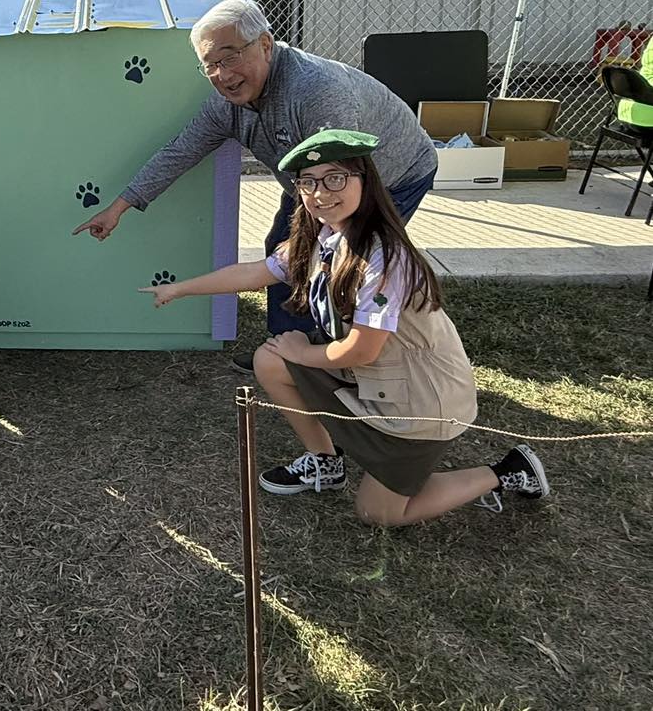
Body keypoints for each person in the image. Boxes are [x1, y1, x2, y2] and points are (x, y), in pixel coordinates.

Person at [140, 129, 550, 527]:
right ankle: (325, 462)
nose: (320, 193)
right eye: (308, 182)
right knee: (271, 360)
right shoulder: (322, 238)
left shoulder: (383, 258)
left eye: (335, 178)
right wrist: (179, 289)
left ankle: (507, 471)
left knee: (378, 513)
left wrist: (304, 353)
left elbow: (362, 349)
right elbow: (254, 273)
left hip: (421, 407)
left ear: (365, 180)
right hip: (371, 382)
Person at [74, 0, 439, 370]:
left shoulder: (317, 91)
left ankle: (348, 352)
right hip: (311, 180)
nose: (223, 74)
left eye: (231, 57)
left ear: (265, 44)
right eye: (211, 65)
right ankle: (288, 347)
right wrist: (118, 208)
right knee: (285, 248)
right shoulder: (227, 106)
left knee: (348, 259)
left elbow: (339, 178)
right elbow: (180, 151)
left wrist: (322, 240)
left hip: (391, 173)